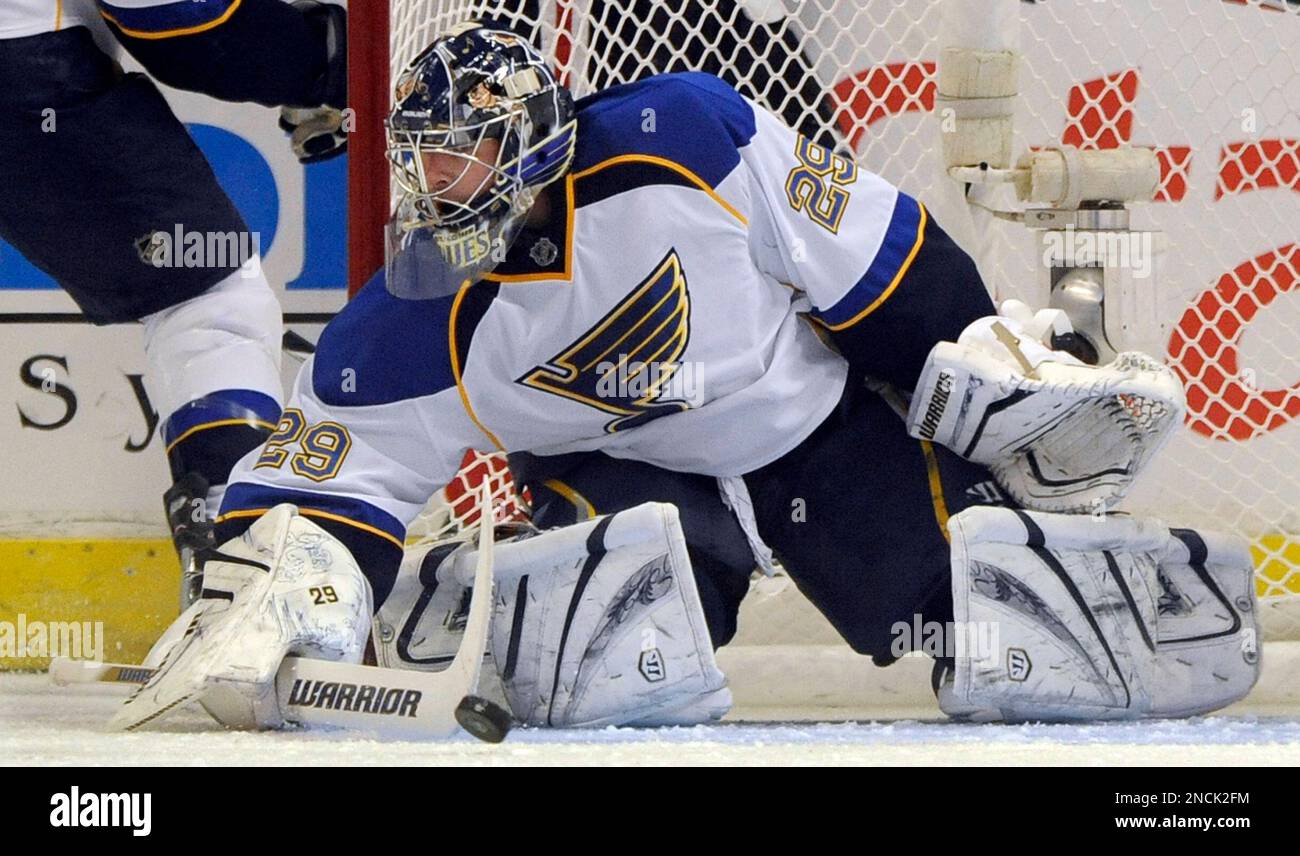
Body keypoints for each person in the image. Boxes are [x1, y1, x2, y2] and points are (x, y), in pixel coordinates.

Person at [116, 23, 1260, 732]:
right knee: (614, 642)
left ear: (535, 139)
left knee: (987, 625)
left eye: (465, 154)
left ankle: (1083, 581)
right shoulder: (409, 322)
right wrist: (271, 589)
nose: (439, 186)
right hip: (622, 473)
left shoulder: (690, 141)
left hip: (813, 432)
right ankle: (505, 610)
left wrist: (971, 373)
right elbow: (328, 479)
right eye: (426, 161)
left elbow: (880, 263)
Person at [0, 0, 346, 603]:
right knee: (208, 296)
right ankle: (238, 554)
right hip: (24, 75)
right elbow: (176, 23)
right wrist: (316, 63)